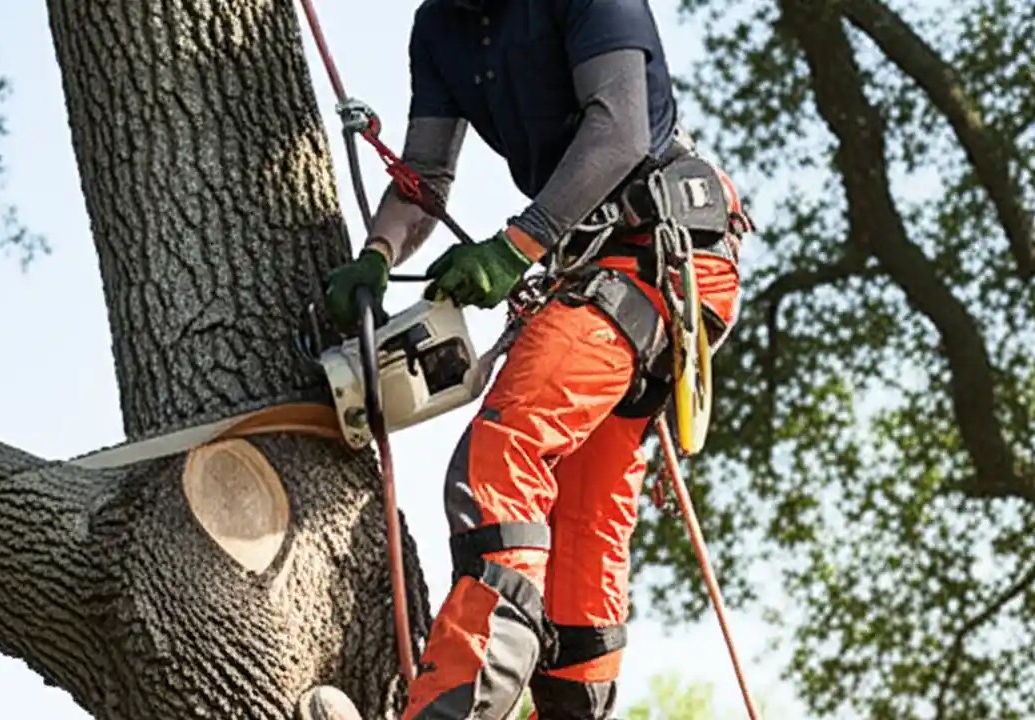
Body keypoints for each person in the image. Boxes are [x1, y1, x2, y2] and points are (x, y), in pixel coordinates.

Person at [322, 1, 751, 717]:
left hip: (660, 260)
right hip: (595, 269)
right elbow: (425, 173)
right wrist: (377, 253)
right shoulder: (438, 28)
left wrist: (517, 246)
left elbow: (617, 132)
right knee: (584, 512)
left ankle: (454, 707)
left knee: (506, 446)